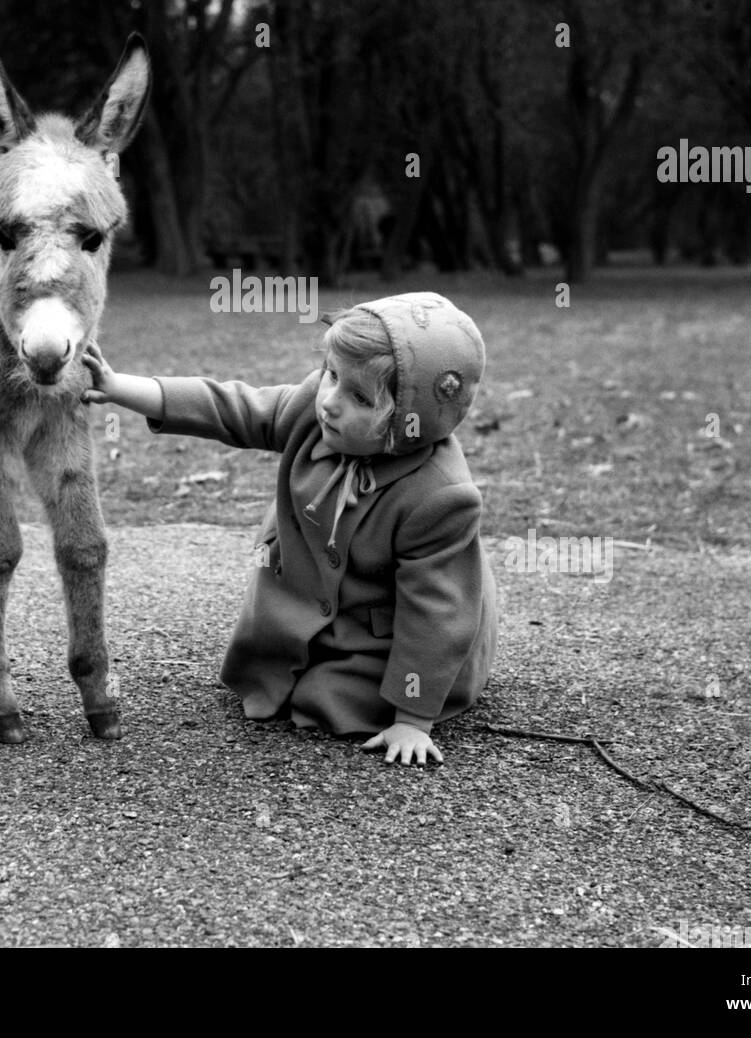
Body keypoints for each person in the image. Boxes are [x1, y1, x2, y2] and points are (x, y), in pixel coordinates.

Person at [81, 292, 498, 766]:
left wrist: (411, 719)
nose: (330, 402)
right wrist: (120, 388)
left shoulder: (440, 497)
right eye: (332, 375)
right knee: (269, 673)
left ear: (409, 424)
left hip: (381, 633)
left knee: (335, 699)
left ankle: (372, 689)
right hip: (301, 595)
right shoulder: (313, 410)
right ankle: (296, 656)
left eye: (359, 397)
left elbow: (436, 614)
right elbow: (233, 408)